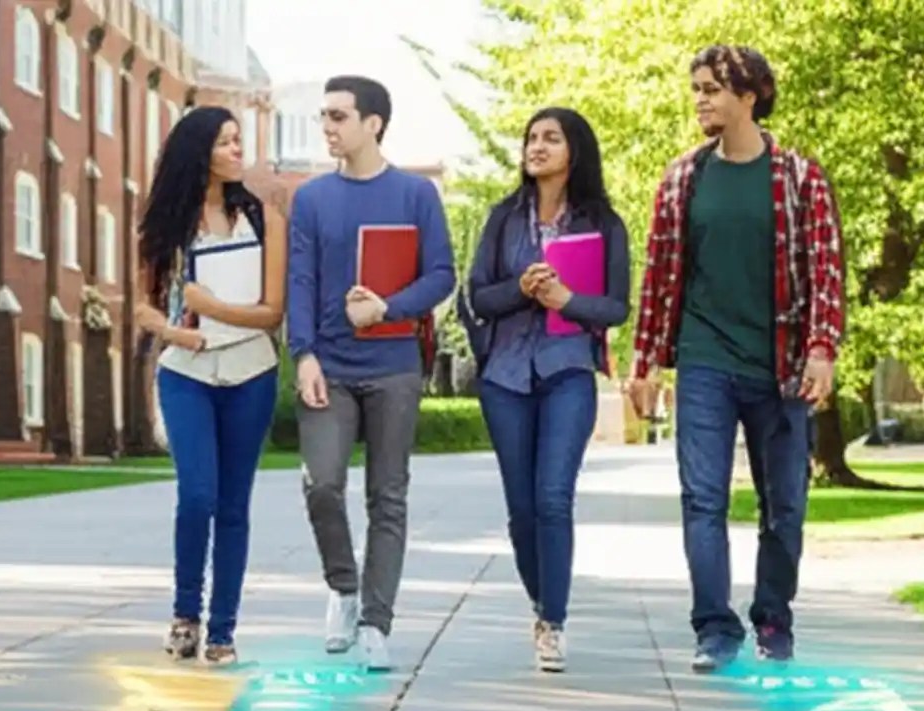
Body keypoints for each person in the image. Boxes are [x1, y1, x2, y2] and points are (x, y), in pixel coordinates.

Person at [628, 45, 846, 672]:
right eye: (695, 88)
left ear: (749, 96)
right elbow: (661, 278)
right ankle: (714, 629)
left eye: (712, 89)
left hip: (779, 366)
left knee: (785, 506)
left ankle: (773, 619)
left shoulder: (800, 178)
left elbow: (827, 273)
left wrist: (821, 349)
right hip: (704, 361)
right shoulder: (681, 179)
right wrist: (644, 362)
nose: (700, 99)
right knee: (702, 499)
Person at [286, 75, 455, 670]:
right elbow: (299, 282)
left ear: (373, 123)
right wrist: (302, 353)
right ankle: (344, 588)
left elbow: (441, 275)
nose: (328, 126)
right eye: (324, 116)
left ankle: (378, 622)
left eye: (338, 116)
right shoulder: (310, 199)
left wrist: (390, 307)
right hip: (327, 364)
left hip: (393, 365)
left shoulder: (416, 195)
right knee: (322, 485)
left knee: (388, 495)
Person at [457, 107, 631, 673]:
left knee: (554, 497)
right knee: (522, 508)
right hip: (505, 375)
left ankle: (552, 622)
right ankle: (540, 598)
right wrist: (522, 289)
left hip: (567, 371)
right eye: (531, 137)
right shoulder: (503, 218)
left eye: (550, 138)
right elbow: (477, 297)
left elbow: (616, 307)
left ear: (573, 151)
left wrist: (566, 302)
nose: (537, 146)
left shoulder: (603, 222)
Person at [134, 105, 287, 666]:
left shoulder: (264, 218)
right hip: (186, 374)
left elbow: (272, 313)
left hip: (251, 371)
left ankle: (222, 630)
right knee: (196, 495)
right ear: (198, 150)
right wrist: (180, 330)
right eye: (226, 141)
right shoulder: (164, 224)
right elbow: (143, 310)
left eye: (238, 140)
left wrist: (214, 308)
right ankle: (184, 615)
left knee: (233, 504)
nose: (236, 151)